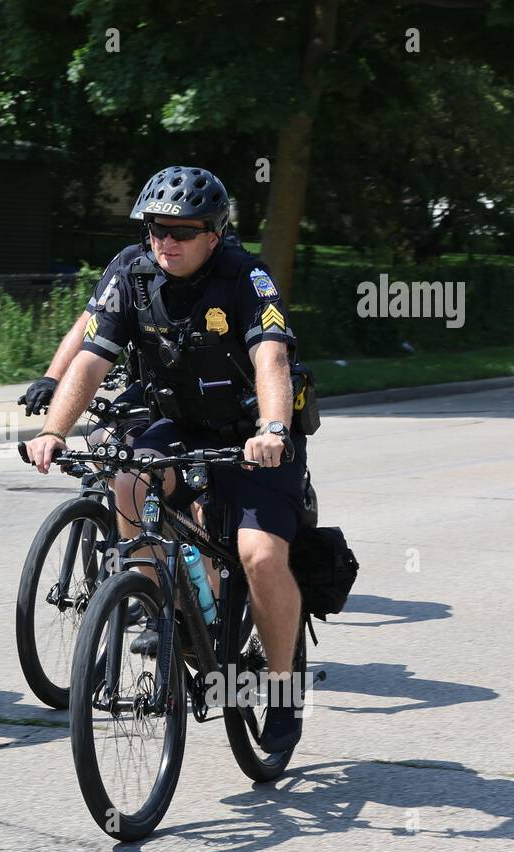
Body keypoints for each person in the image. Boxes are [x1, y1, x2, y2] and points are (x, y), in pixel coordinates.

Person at [23, 165, 309, 753]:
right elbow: (92, 356)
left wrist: (273, 428)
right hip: (174, 422)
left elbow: (272, 358)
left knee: (257, 556)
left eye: (181, 231)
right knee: (124, 482)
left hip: (250, 433)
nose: (165, 242)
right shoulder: (133, 274)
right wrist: (55, 428)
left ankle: (280, 688)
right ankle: (158, 605)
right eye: (156, 229)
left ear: (214, 233)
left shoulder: (246, 277)